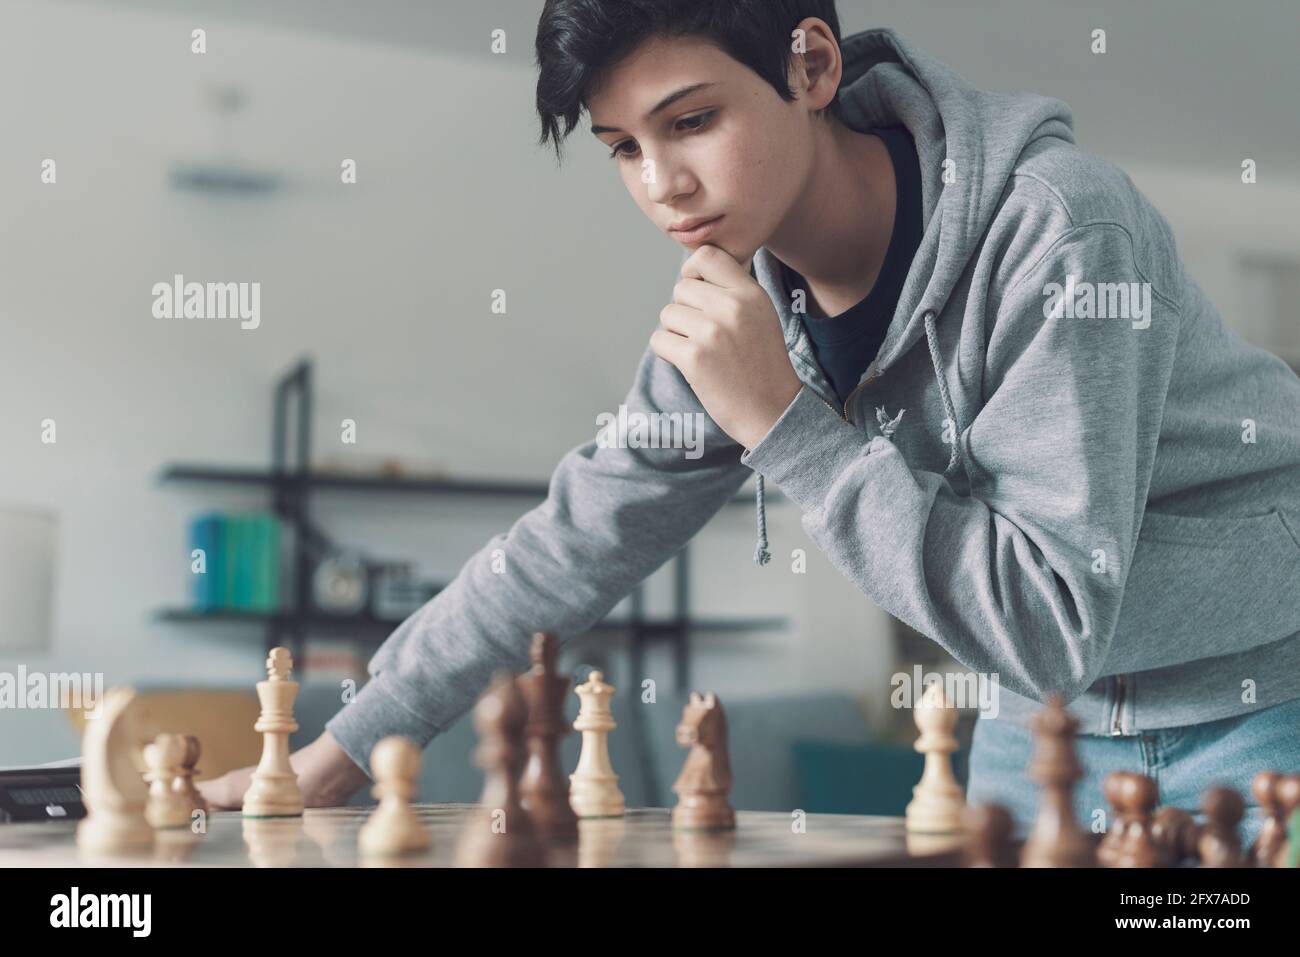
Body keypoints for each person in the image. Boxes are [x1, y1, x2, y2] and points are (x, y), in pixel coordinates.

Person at [200, 1, 1300, 843]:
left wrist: (786, 421)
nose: (663, 186)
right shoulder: (736, 304)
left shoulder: (1060, 229)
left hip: (1257, 713)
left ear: (811, 66)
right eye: (624, 147)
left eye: (692, 121)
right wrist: (340, 749)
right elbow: (569, 545)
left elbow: (1053, 621)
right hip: (1037, 729)